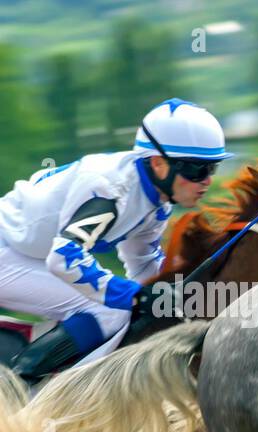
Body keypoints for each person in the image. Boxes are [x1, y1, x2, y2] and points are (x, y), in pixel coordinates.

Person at [0, 98, 230, 383]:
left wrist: (179, 295)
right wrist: (138, 296)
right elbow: (65, 257)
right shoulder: (111, 190)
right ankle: (22, 386)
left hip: (26, 254)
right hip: (9, 253)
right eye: (197, 170)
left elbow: (144, 265)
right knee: (109, 309)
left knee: (123, 307)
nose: (206, 181)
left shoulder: (157, 203)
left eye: (213, 168)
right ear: (159, 164)